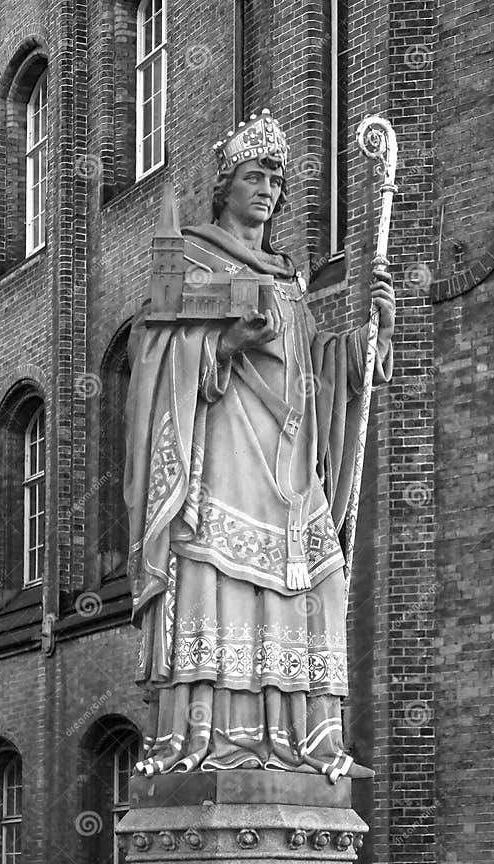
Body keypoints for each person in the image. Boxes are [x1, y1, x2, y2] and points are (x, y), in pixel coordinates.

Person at [124, 109, 394, 783]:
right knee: (222, 584)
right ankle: (213, 743)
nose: (268, 189)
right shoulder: (190, 257)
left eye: (276, 178)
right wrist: (220, 346)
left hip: (291, 463)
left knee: (321, 585)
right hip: (222, 454)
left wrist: (369, 343)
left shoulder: (285, 274)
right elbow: (153, 358)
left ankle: (307, 746)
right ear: (226, 187)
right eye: (254, 175)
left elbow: (314, 370)